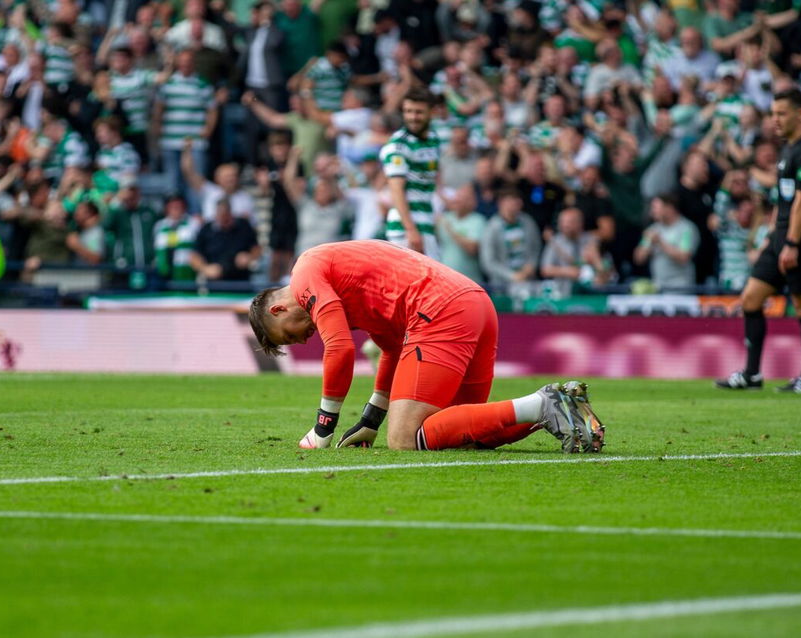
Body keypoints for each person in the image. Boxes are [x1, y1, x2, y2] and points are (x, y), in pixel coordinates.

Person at [248, 240, 604, 453]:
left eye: (291, 334)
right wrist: (371, 419)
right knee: (459, 436)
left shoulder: (305, 274)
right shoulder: (338, 282)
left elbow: (339, 349)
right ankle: (561, 409)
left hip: (438, 309)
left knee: (404, 438)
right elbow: (390, 347)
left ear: (279, 309)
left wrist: (323, 428)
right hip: (475, 303)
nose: (303, 339)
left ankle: (542, 404)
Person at [716, 90, 801, 393]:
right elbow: (785, 201)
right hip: (778, 239)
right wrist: (771, 237)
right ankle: (752, 374)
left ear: (800, 114)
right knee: (751, 299)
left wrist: (791, 243)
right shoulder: (788, 150)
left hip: (799, 242)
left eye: (781, 113)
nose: (775, 120)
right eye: (773, 113)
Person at [380, 88, 441, 257]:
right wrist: (410, 230)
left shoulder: (433, 139)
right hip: (405, 228)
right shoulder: (398, 146)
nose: (413, 117)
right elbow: (396, 189)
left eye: (419, 112)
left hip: (426, 224)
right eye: (408, 111)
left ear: (431, 112)